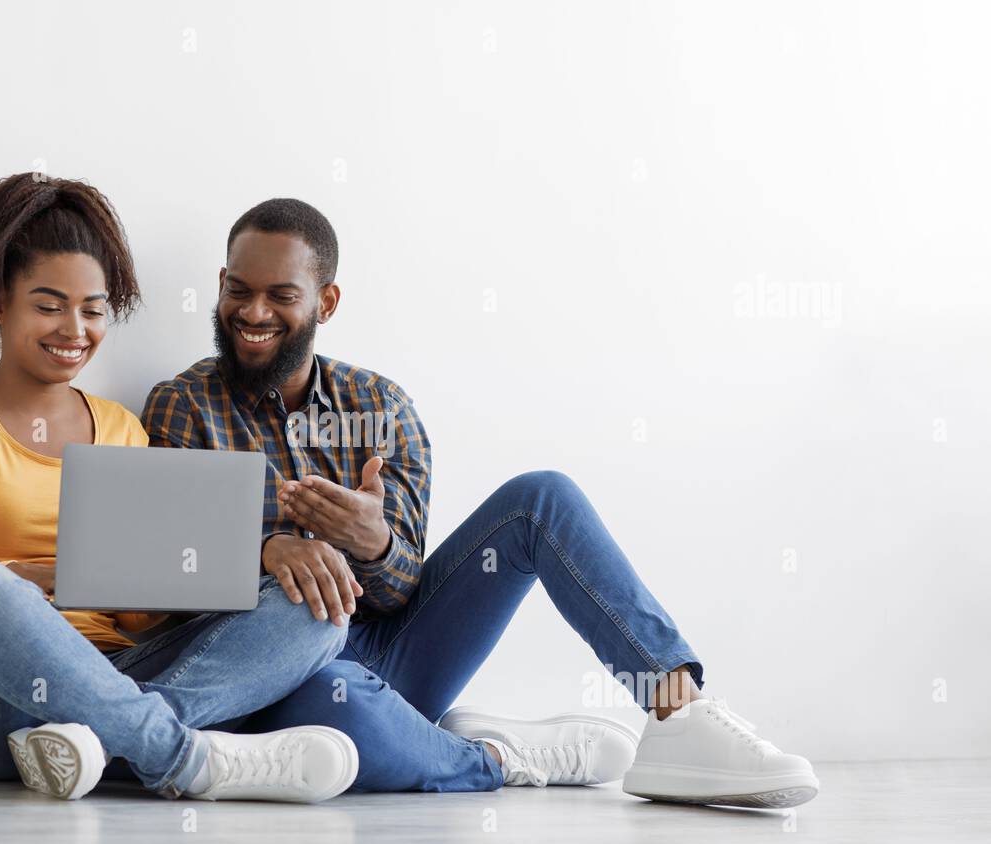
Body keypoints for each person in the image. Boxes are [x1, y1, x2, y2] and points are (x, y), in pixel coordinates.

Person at [140, 198, 821, 808]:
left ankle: (680, 714)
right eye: (238, 290)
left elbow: (404, 583)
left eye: (280, 295)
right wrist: (265, 549)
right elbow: (168, 574)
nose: (253, 313)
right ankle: (499, 759)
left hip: (389, 650)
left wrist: (373, 541)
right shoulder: (182, 406)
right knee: (334, 716)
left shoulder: (380, 406)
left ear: (328, 301)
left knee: (541, 498)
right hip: (271, 680)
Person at [0, 174, 359, 803]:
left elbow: (137, 619)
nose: (74, 329)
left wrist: (200, 565)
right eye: (49, 305)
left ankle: (102, 745)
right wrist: (28, 576)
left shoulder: (124, 429)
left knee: (317, 611)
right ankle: (182, 756)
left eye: (93, 309)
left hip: (113, 679)